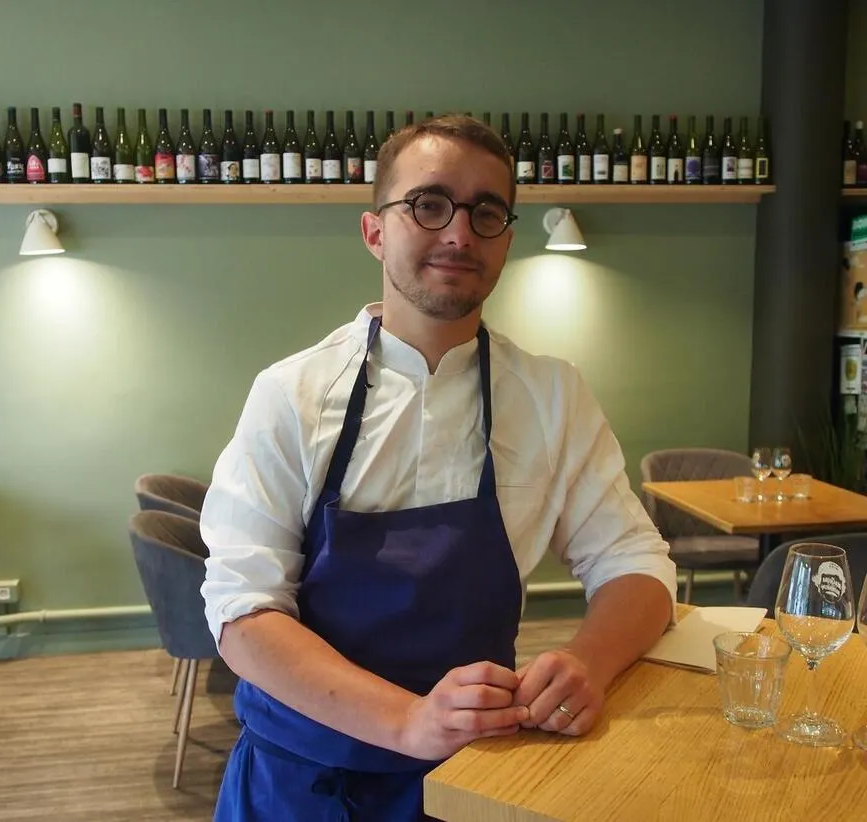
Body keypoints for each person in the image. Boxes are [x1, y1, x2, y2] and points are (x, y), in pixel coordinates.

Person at [200, 114, 676, 821]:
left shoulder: (552, 396)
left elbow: (637, 563)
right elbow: (243, 610)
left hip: (475, 776)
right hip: (300, 780)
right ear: (375, 232)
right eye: (429, 204)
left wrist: (588, 663)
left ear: (506, 241)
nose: (459, 232)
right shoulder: (291, 394)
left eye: (486, 211)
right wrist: (406, 720)